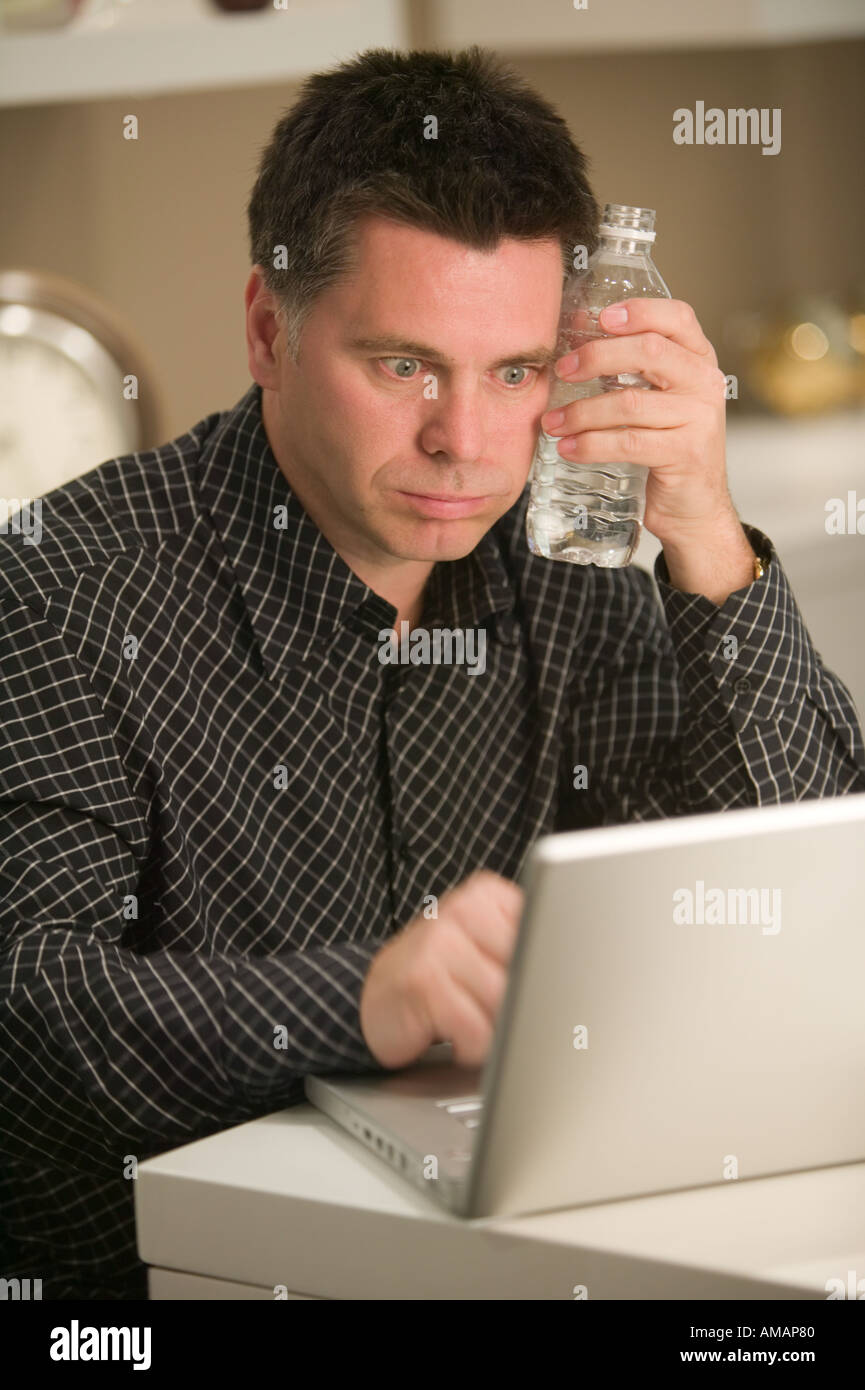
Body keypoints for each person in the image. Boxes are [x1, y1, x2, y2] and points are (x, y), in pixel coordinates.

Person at [1, 46, 863, 1302]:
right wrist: (364, 997)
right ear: (267, 329)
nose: (465, 444)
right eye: (402, 365)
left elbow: (806, 905)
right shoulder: (61, 590)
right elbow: (30, 1004)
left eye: (513, 373)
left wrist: (712, 545)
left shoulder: (577, 557)